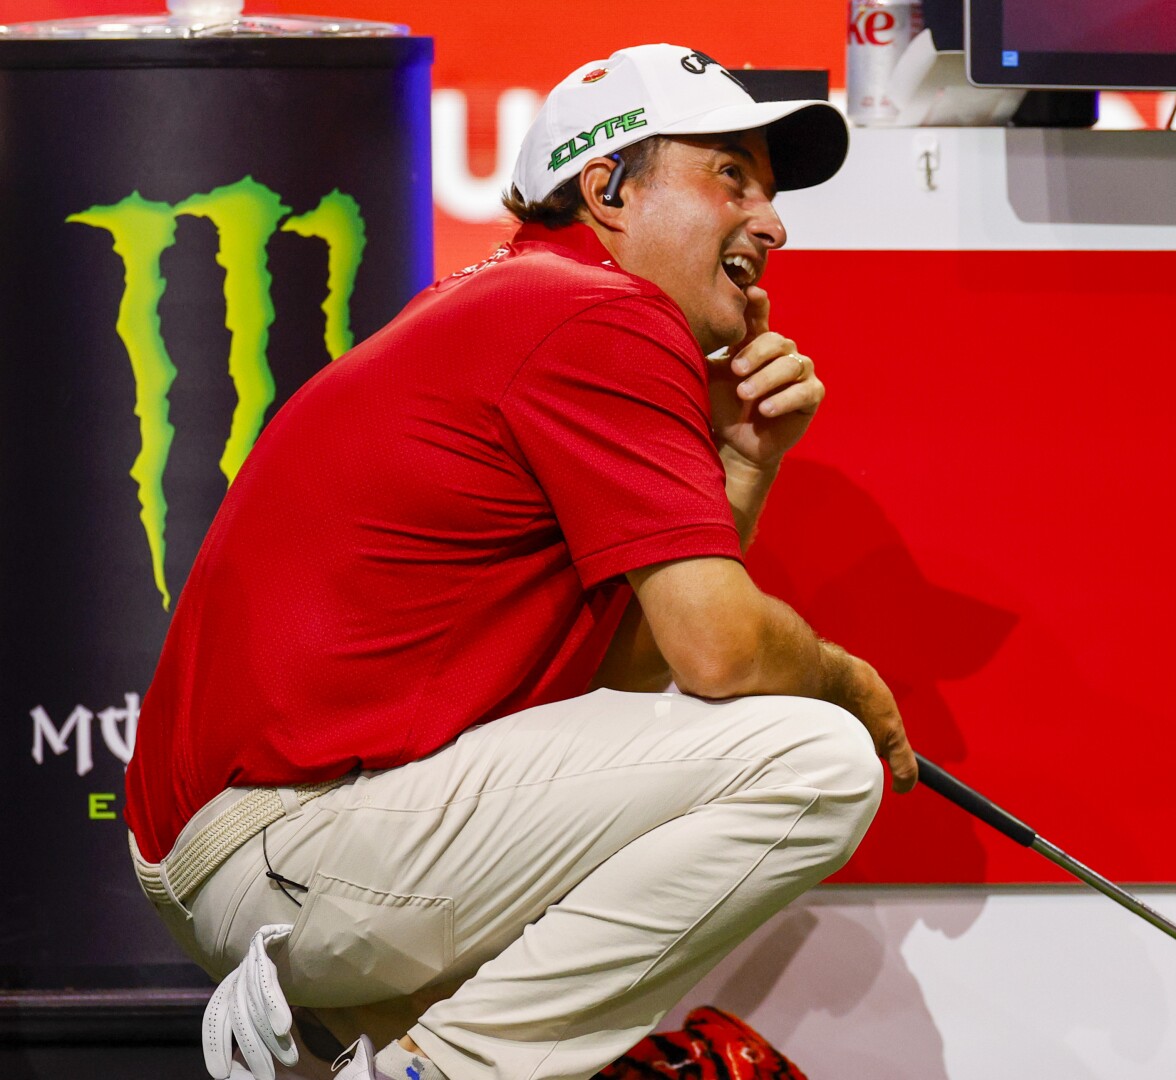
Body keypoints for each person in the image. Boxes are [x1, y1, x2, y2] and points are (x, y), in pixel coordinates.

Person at [123, 42, 916, 1080]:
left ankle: (332, 1043)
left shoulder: (522, 301)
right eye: (730, 175)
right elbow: (719, 653)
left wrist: (741, 465)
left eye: (768, 190)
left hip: (262, 848)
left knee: (711, 777)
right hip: (284, 841)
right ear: (607, 189)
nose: (770, 220)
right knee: (814, 758)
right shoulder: (601, 315)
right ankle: (424, 1072)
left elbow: (637, 690)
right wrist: (849, 682)